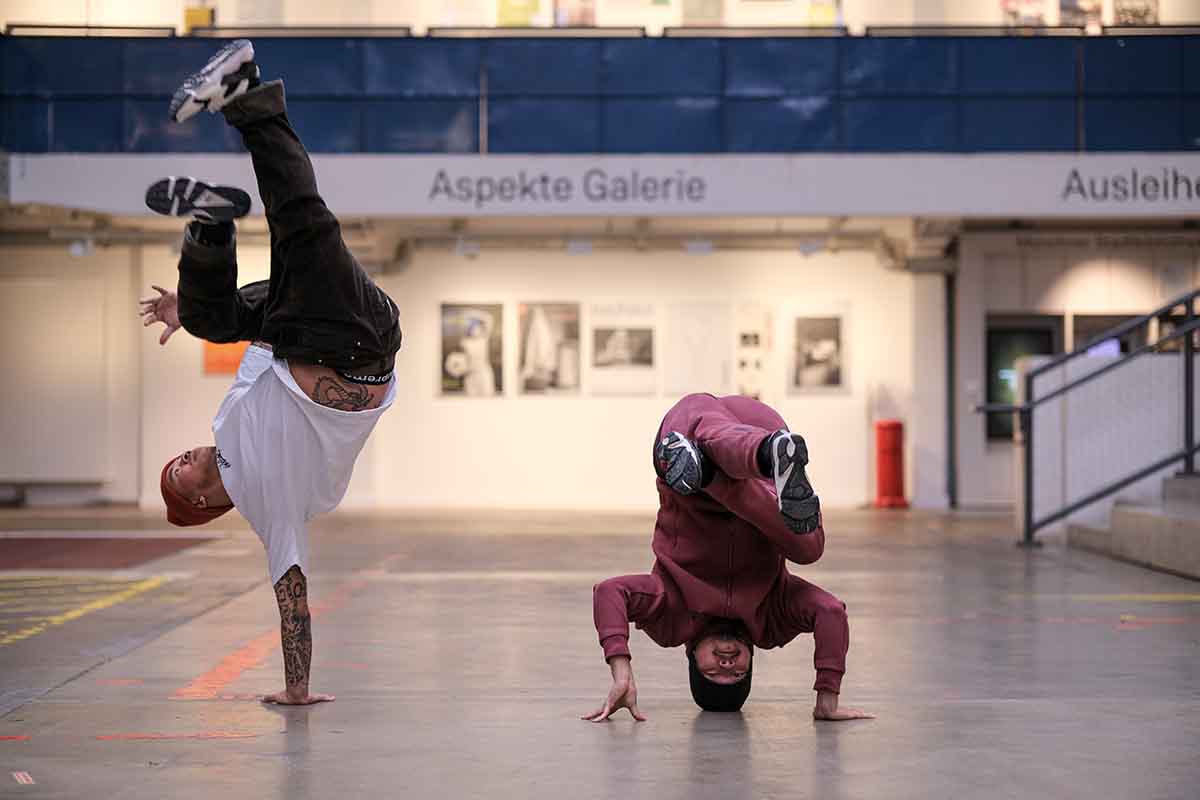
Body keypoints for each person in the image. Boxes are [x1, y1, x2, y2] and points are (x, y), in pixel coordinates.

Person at [138, 40, 402, 706]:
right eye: (177, 474)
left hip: (300, 335)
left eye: (174, 460)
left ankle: (211, 225)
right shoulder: (266, 505)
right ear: (200, 503)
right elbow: (293, 596)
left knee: (212, 316)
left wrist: (192, 310)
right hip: (359, 343)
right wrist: (296, 689)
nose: (183, 459)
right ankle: (249, 93)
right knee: (301, 224)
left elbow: (256, 335)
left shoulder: (229, 420)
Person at [584, 393, 872, 722]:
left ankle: (714, 470)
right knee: (810, 549)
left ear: (692, 657)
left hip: (686, 431)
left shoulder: (671, 618)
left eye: (713, 672)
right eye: (737, 674)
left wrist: (621, 672)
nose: (726, 664)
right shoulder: (771, 621)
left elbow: (610, 592)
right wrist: (827, 697)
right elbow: (830, 611)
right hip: (760, 428)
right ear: (751, 663)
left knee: (710, 437)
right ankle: (754, 460)